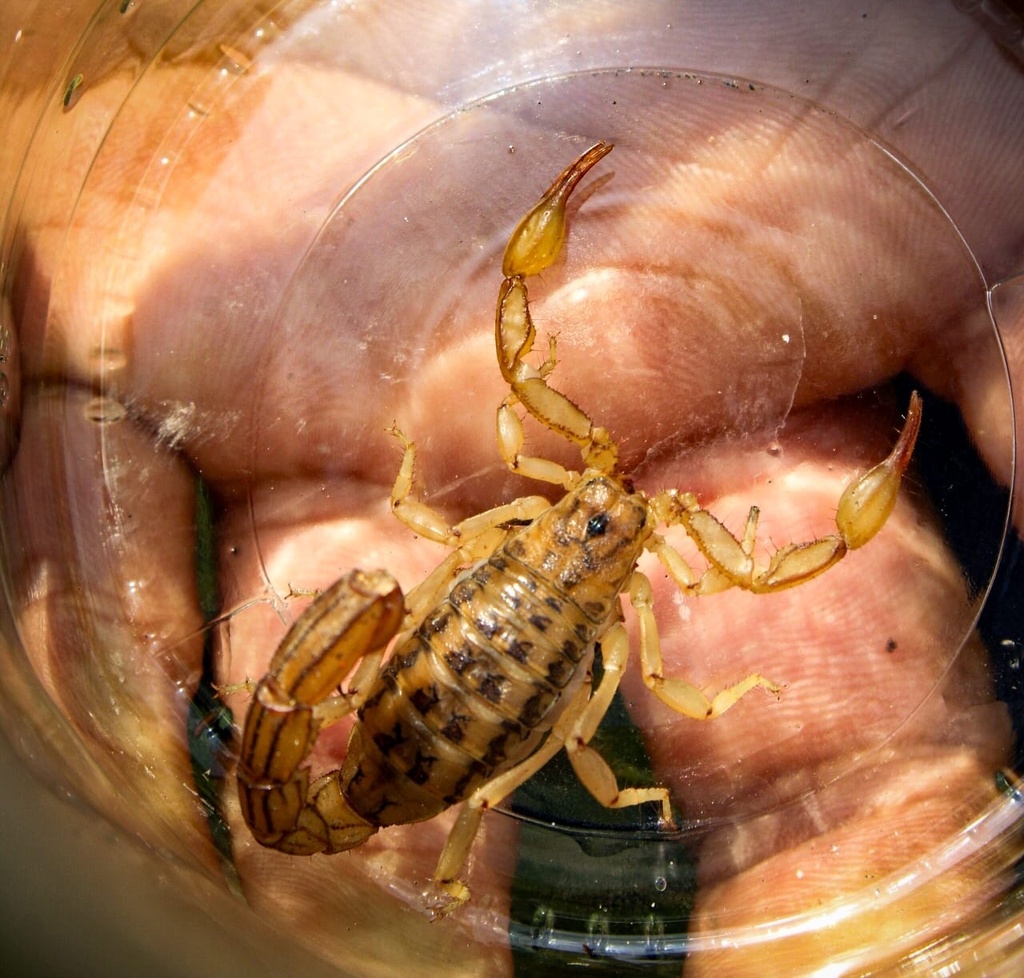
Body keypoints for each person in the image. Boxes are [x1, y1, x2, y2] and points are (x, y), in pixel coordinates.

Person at [2, 2, 1022, 974]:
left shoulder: (528, 500)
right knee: (538, 737)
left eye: (602, 502)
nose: (607, 498)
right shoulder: (607, 576)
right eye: (601, 500)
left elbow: (507, 407)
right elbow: (706, 628)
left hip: (462, 674)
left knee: (508, 728)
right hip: (468, 701)